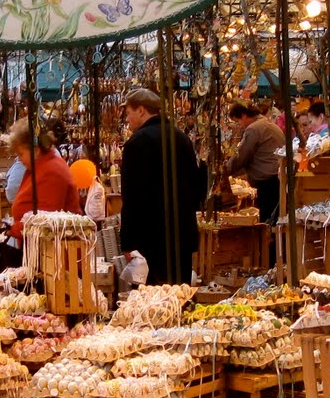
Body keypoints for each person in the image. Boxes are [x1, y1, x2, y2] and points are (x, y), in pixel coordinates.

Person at [120, 87, 205, 284]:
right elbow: (197, 186)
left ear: (141, 110)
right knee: (178, 295)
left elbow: (133, 197)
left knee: (154, 303)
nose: (127, 119)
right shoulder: (181, 138)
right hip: (181, 233)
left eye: (129, 113)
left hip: (150, 238)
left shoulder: (137, 142)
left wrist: (128, 241)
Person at [6, 117, 80, 241]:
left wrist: (14, 229)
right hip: (40, 250)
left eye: (21, 154)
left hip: (52, 253)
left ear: (35, 151)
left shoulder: (51, 171)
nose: (19, 159)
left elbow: (45, 221)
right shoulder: (39, 167)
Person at [224, 102, 284, 225]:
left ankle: (269, 243)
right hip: (275, 177)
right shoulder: (266, 123)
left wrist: (224, 171)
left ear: (244, 115)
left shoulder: (254, 128)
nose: (239, 126)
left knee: (268, 220)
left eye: (237, 121)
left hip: (268, 180)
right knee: (273, 217)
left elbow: (242, 156)